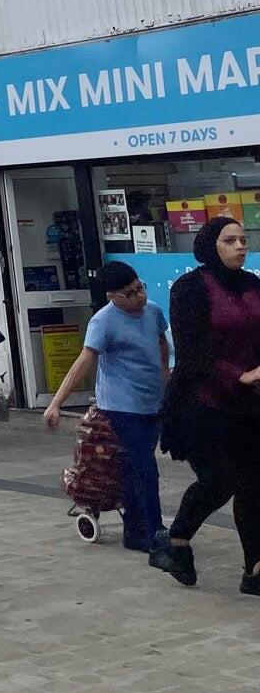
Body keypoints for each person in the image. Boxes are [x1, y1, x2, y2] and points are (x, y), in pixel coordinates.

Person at [152, 215, 260, 593]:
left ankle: (255, 569)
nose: (240, 246)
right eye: (230, 240)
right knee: (221, 478)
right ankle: (176, 538)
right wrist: (239, 375)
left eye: (244, 240)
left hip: (249, 404)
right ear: (210, 245)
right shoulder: (190, 287)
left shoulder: (252, 285)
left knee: (255, 482)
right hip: (201, 402)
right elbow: (193, 349)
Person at [44, 259, 170, 554]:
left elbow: (162, 343)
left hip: (151, 400)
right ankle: (156, 533)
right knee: (146, 468)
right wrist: (56, 403)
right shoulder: (103, 321)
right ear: (112, 296)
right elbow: (83, 362)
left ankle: (135, 531)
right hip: (121, 404)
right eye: (129, 293)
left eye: (140, 288)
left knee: (134, 466)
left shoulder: (152, 312)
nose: (138, 296)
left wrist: (167, 380)